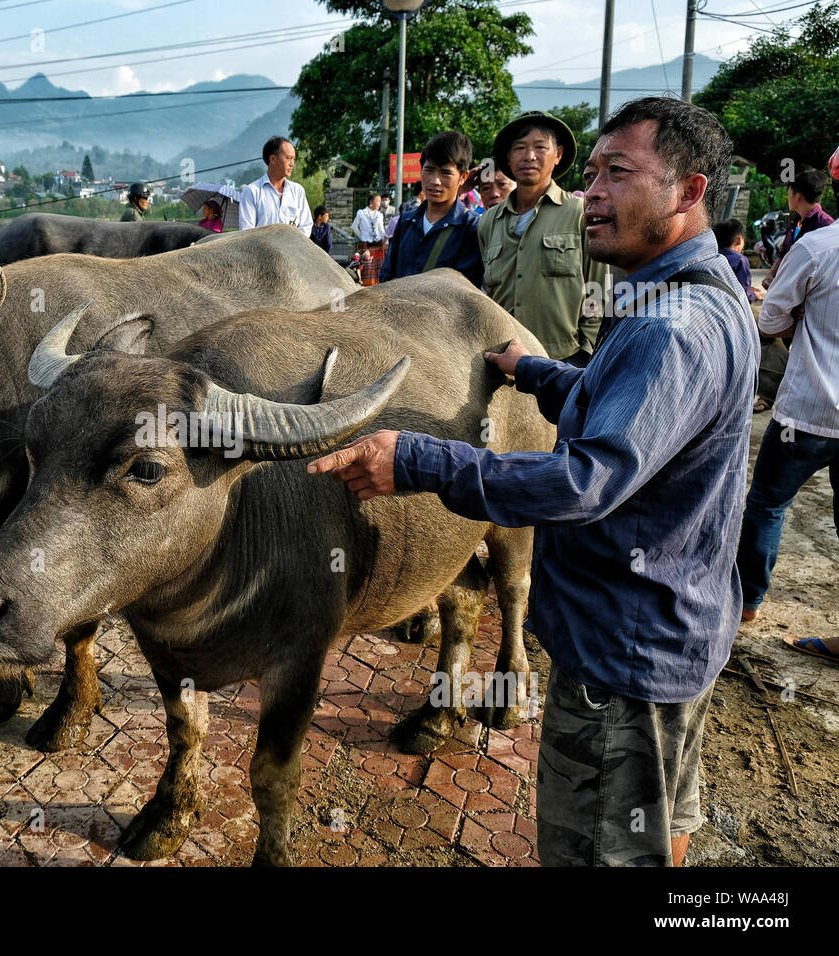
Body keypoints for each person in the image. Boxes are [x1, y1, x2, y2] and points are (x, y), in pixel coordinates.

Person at [308, 98, 757, 867]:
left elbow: (587, 481)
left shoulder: (667, 329)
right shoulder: (696, 294)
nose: (597, 194)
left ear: (690, 191)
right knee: (662, 828)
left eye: (621, 173)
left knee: (601, 851)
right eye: (592, 175)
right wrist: (537, 373)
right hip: (674, 626)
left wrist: (415, 460)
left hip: (623, 659)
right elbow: (627, 412)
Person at [736, 220, 839, 649]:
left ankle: (748, 601)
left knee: (767, 504)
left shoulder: (817, 248)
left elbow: (772, 318)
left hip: (807, 411)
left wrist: (803, 316)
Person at [479, 110, 609, 366]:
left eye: (540, 147)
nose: (529, 156)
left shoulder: (579, 214)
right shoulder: (488, 222)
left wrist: (586, 353)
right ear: (508, 156)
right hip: (502, 360)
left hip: (563, 360)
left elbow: (597, 288)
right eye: (519, 148)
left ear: (557, 154)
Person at [380, 130, 483, 287]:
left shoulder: (472, 227)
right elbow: (386, 278)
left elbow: (464, 294)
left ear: (463, 177)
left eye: (446, 173)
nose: (435, 181)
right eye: (429, 170)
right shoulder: (406, 222)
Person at [762, 168, 833, 290]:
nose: (788, 197)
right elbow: (784, 252)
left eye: (789, 193)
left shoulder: (826, 226)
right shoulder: (797, 221)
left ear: (797, 196)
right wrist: (771, 274)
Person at [237, 136, 313, 236]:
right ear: (273, 159)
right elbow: (246, 232)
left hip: (292, 250)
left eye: (294, 159)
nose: (292, 164)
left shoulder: (298, 191)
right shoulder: (252, 191)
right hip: (261, 250)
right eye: (289, 158)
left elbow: (306, 225)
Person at [713, 218, 762, 303]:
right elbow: (742, 294)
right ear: (739, 240)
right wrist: (754, 295)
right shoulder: (740, 260)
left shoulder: (712, 257)